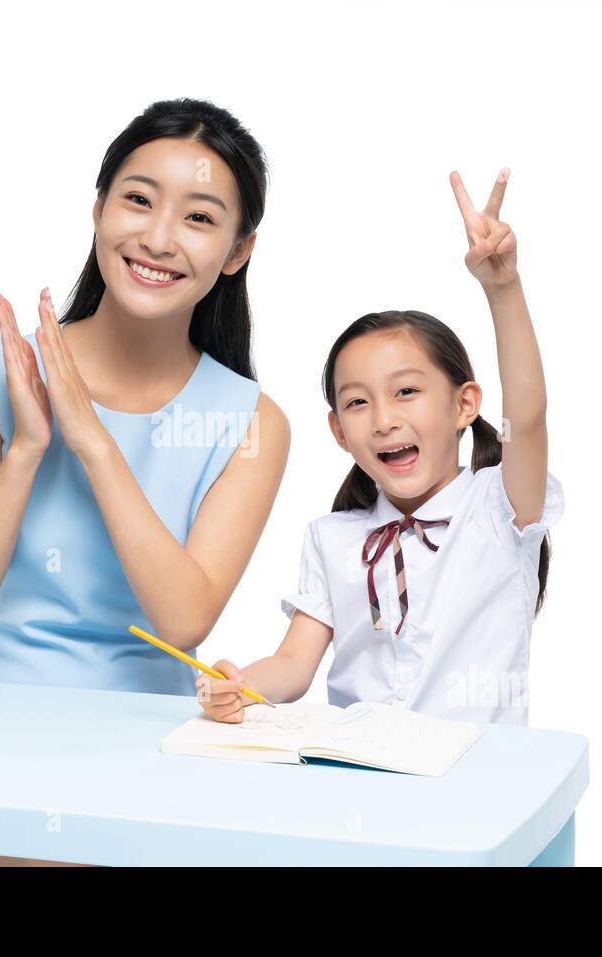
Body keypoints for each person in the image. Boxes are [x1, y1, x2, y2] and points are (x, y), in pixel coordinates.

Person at [0, 99, 290, 866]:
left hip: (142, 758)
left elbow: (183, 617)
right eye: (138, 199)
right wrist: (28, 448)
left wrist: (92, 442)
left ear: (237, 250)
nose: (156, 238)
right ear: (97, 209)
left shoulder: (251, 421)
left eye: (198, 217)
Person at [199, 168, 563, 730]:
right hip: (362, 782)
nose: (385, 420)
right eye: (359, 403)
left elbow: (529, 419)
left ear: (465, 405)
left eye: (407, 392)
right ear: (339, 432)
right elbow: (294, 666)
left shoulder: (499, 508)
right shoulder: (332, 537)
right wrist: (240, 684)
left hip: (474, 783)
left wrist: (503, 288)